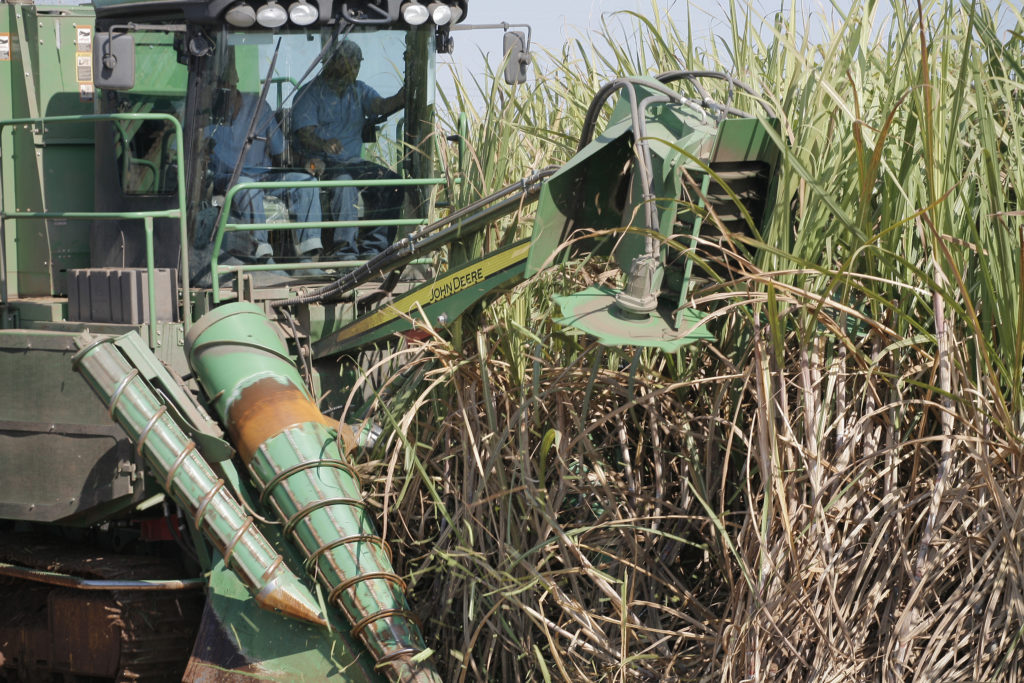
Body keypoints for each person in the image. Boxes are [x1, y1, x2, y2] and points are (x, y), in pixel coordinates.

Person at [292, 40, 405, 261]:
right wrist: (322, 143)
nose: (353, 68)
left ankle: (375, 249)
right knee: (344, 184)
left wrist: (403, 95)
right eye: (348, 62)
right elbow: (303, 133)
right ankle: (344, 252)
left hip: (354, 163)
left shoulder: (359, 91)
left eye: (357, 63)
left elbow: (381, 106)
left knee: (392, 183)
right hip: (320, 163)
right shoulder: (310, 93)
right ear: (331, 63)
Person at [207, 67, 322, 262]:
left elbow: (282, 152)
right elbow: (189, 151)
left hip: (264, 176)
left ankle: (308, 256)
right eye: (218, 88)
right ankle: (261, 254)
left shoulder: (259, 108)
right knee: (247, 188)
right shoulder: (205, 111)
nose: (223, 91)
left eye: (227, 87)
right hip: (228, 179)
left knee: (306, 182)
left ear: (234, 86)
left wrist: (305, 162)